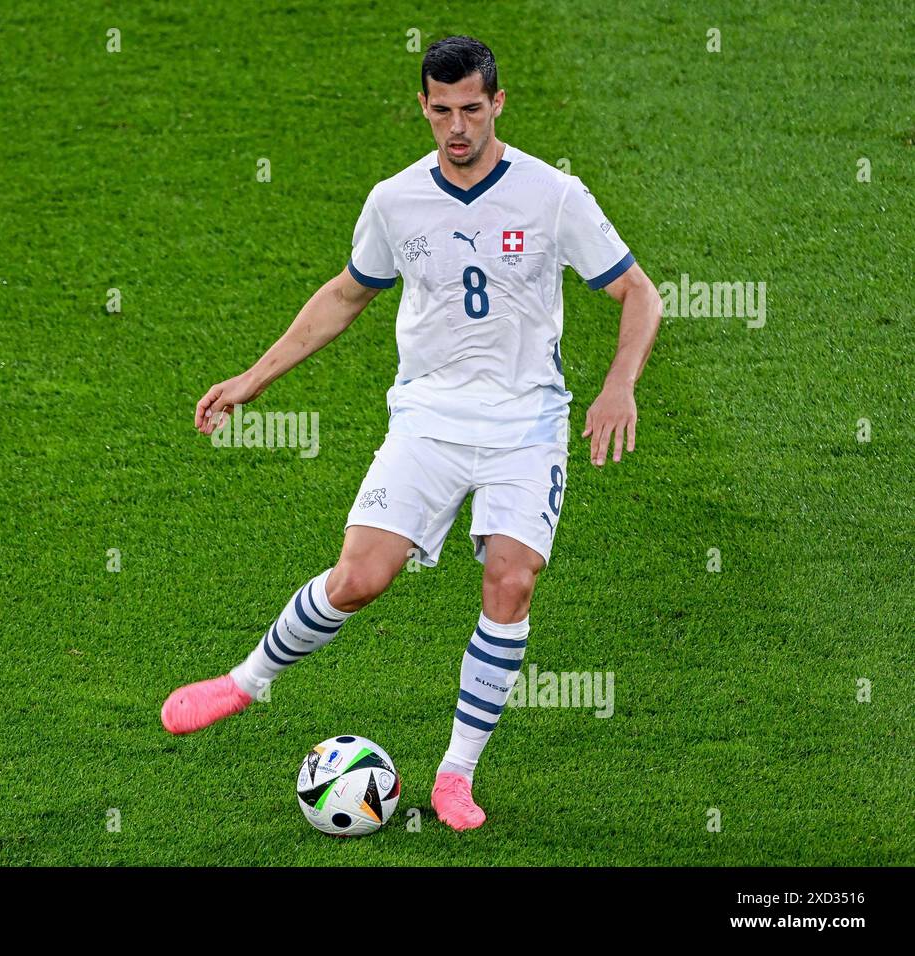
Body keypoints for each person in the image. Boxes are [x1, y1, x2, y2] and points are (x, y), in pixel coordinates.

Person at [161, 35, 662, 831]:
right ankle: (245, 681)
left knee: (511, 580)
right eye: (441, 110)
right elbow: (346, 294)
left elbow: (639, 293)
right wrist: (250, 380)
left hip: (527, 421)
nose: (457, 126)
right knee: (360, 578)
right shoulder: (395, 200)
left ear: (498, 103)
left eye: (471, 109)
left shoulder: (553, 195)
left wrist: (618, 387)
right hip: (428, 416)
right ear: (423, 107)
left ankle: (455, 774)